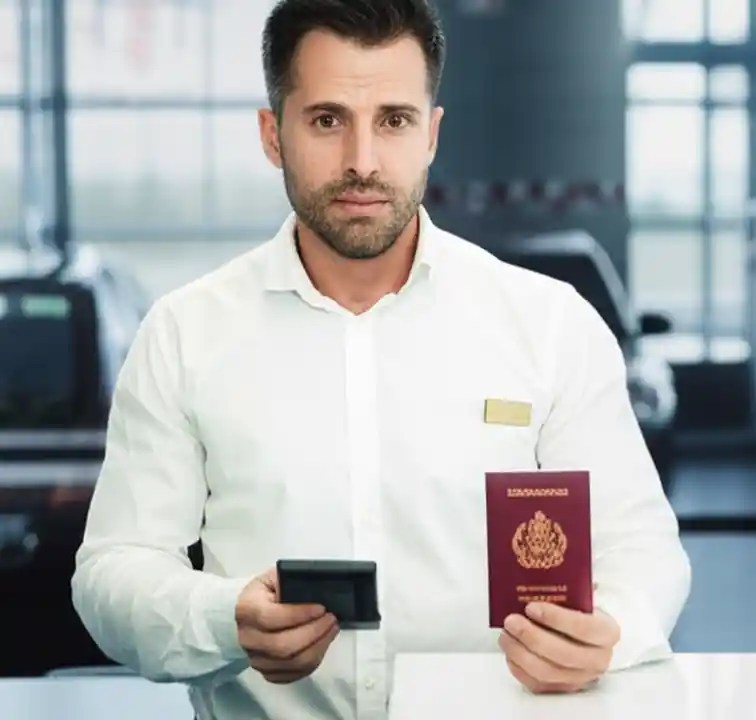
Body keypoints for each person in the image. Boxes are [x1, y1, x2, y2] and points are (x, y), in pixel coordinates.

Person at [69, 0, 691, 717]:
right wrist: (222, 617)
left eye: (393, 120)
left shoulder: (550, 328)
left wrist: (610, 627)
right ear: (273, 135)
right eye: (327, 120)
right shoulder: (184, 334)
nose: (362, 161)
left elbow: (643, 548)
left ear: (430, 134)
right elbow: (112, 573)